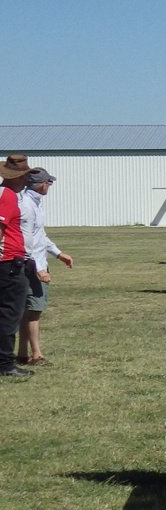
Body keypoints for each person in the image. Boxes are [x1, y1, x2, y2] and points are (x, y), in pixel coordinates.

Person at [17, 167, 73, 366]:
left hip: (34, 262)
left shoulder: (34, 204)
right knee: (34, 310)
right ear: (43, 184)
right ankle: (36, 355)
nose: (49, 186)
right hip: (31, 265)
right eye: (49, 183)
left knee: (27, 310)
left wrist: (58, 253)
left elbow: (41, 236)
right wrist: (39, 268)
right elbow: (27, 242)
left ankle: (22, 353)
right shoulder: (27, 206)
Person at [0, 154, 34, 379]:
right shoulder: (8, 196)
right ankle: (4, 363)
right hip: (8, 263)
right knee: (9, 314)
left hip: (9, 262)